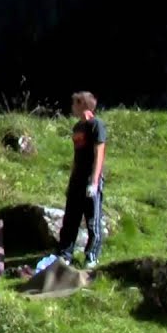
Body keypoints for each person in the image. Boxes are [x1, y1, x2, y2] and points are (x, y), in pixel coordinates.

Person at [56, 91, 107, 269]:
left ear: (83, 104)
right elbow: (76, 157)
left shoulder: (96, 125)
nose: (72, 107)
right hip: (77, 179)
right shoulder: (77, 127)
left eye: (75, 103)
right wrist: (71, 180)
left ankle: (91, 256)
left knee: (92, 219)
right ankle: (65, 254)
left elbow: (99, 153)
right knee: (71, 218)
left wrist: (94, 182)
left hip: (90, 178)